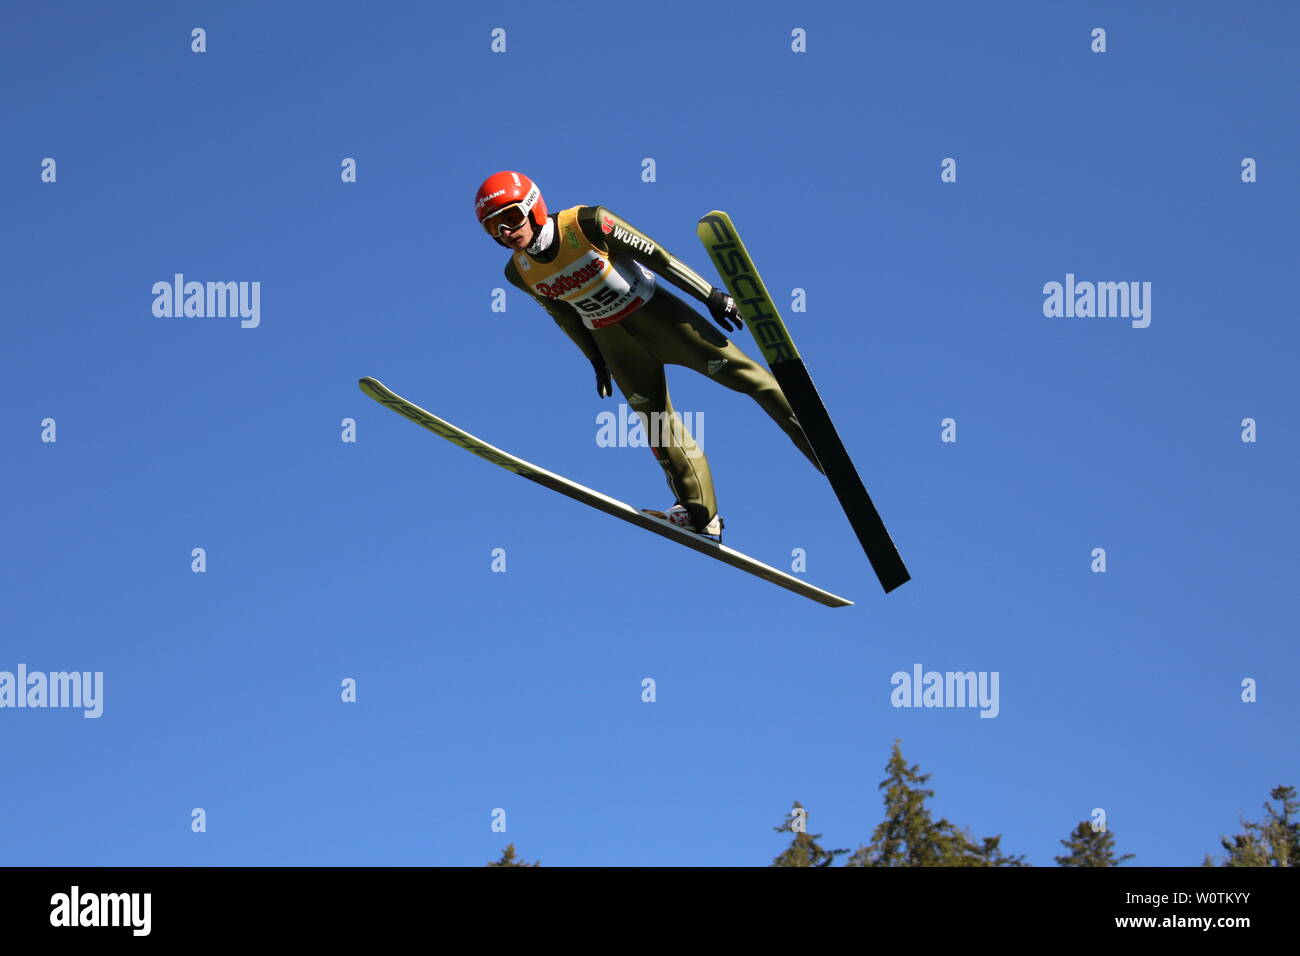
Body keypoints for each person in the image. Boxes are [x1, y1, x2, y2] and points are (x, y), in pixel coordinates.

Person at [475, 170, 823, 538]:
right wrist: (595, 360)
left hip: (662, 320)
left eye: (510, 218)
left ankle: (820, 444)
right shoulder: (519, 273)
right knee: (658, 425)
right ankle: (699, 513)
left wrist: (711, 296)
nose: (506, 232)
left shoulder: (588, 223)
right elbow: (564, 316)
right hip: (617, 347)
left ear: (534, 207)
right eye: (493, 228)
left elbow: (659, 257)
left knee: (749, 378)